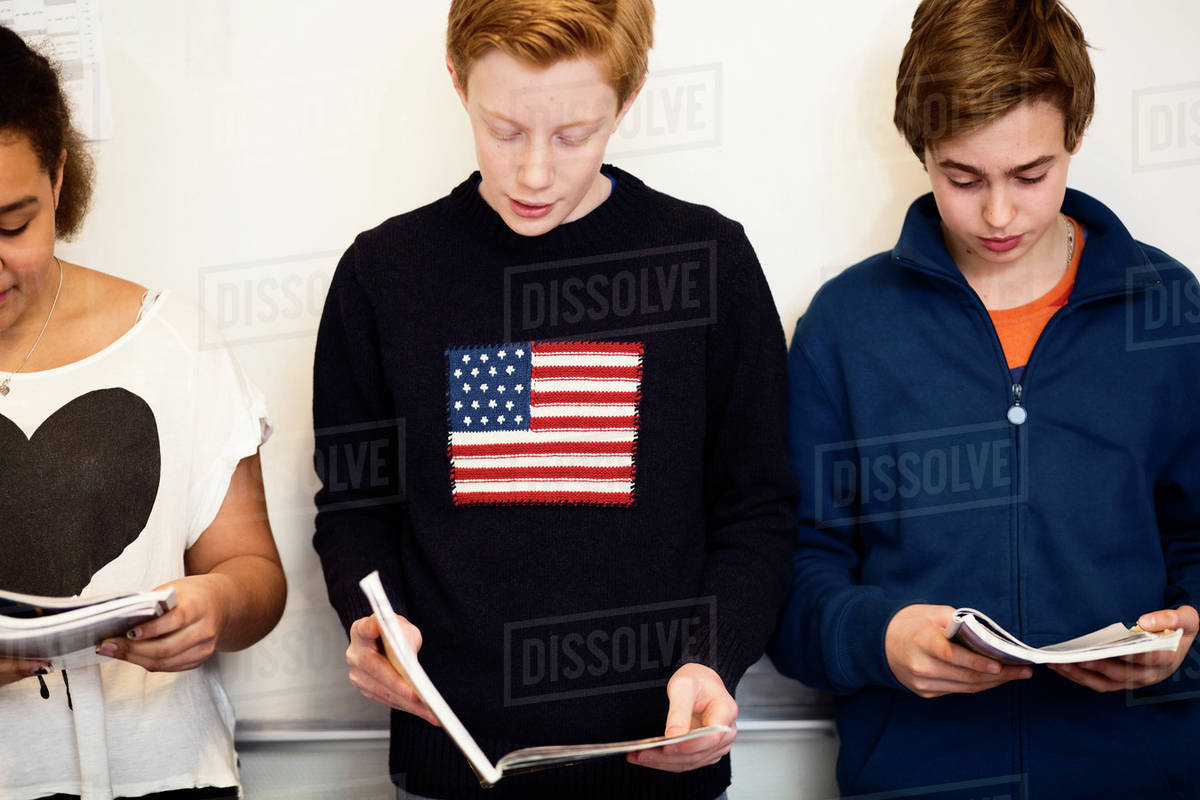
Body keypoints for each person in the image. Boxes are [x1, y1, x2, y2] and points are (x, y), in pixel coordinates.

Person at [311, 1, 796, 798]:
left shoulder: (708, 263)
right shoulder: (384, 274)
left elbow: (757, 509)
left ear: (628, 99)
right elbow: (358, 510)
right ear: (457, 84)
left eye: (574, 135)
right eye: (503, 130)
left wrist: (715, 655)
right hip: (453, 770)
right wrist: (372, 624)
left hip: (658, 764)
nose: (533, 173)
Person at [769, 0, 1200, 797]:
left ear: (1075, 135)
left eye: (1031, 176)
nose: (999, 214)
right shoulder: (844, 328)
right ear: (920, 150)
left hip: (1140, 772)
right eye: (961, 178)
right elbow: (787, 582)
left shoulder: (1169, 312)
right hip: (913, 776)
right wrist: (882, 639)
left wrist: (1190, 635)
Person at [0, 26, 287, 800]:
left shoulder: (175, 342)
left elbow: (253, 573)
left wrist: (217, 607)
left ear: (59, 177)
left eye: (11, 224)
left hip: (167, 776)